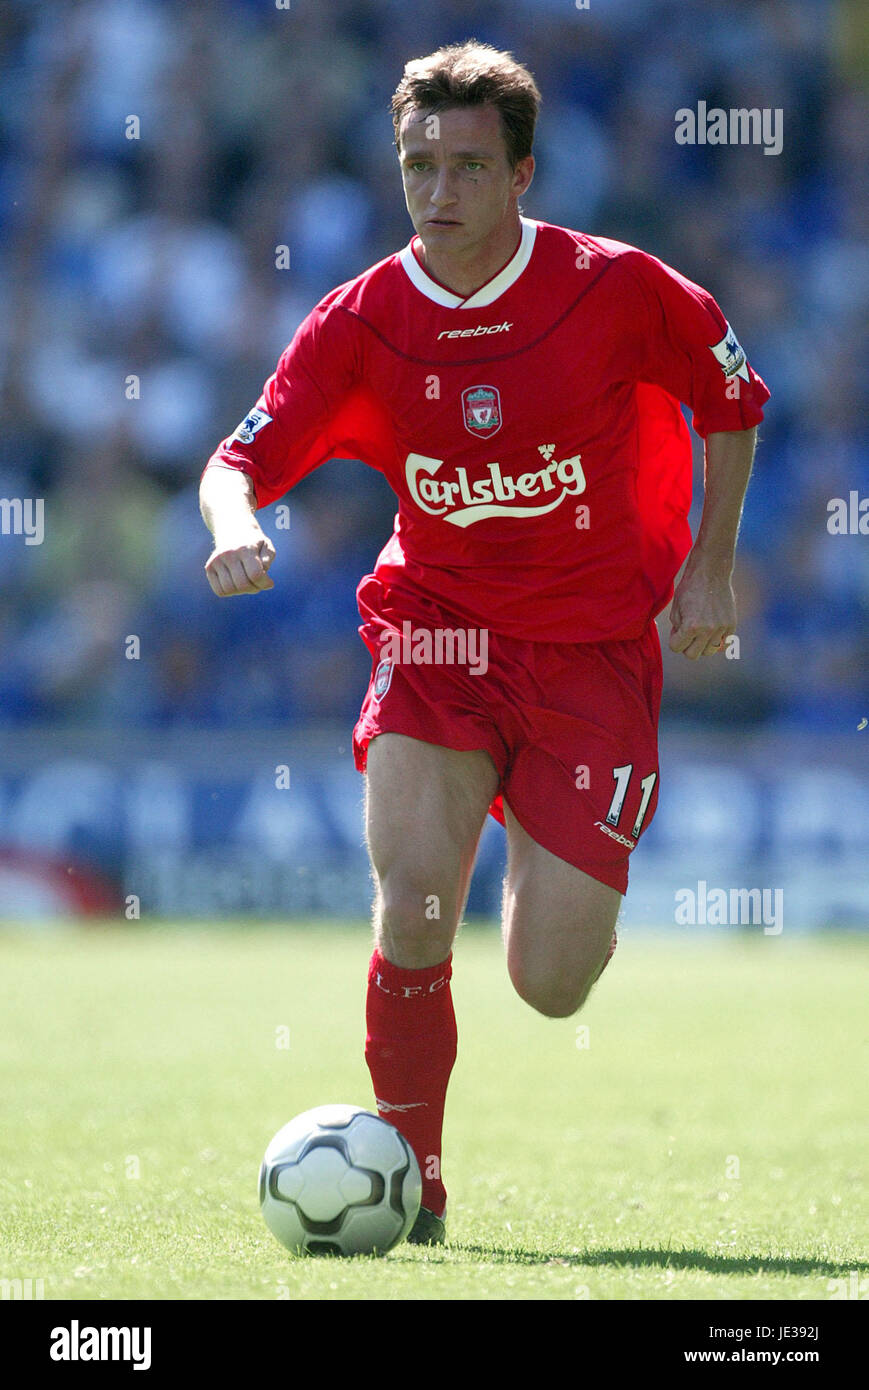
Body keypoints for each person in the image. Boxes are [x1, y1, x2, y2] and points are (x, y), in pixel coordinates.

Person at [199, 41, 770, 1245]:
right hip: (436, 635)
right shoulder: (359, 319)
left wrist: (709, 565)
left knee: (547, 985)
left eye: (465, 167)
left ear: (519, 175)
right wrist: (234, 524)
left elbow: (730, 396)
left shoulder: (614, 287)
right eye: (418, 165)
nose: (437, 191)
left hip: (590, 651)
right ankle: (413, 1177)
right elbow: (234, 460)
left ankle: (535, 820)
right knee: (411, 906)